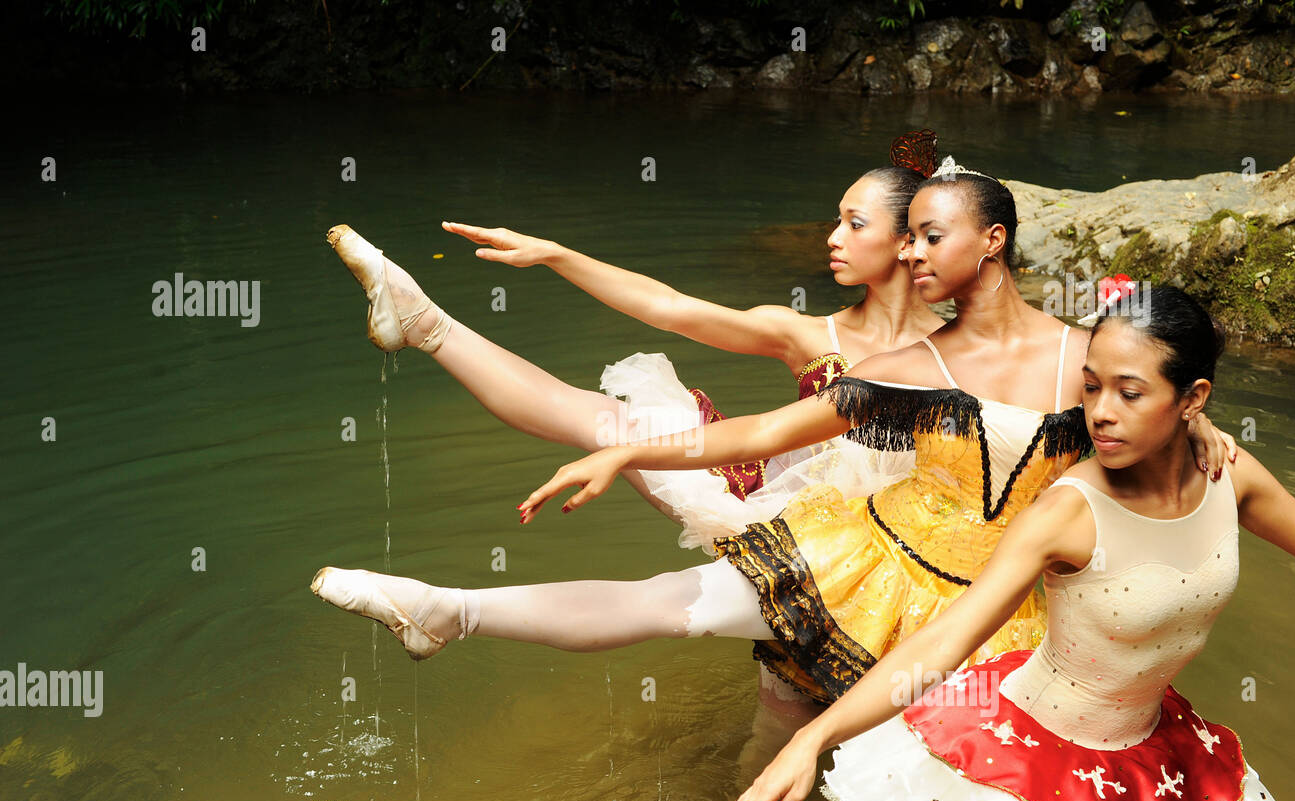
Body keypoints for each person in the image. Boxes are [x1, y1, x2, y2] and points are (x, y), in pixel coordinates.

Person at [308, 160, 1235, 719]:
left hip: (945, 585)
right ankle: (427, 341)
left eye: (874, 226)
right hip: (824, 540)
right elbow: (682, 320)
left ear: (978, 242)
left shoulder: (1036, 355)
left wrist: (1205, 433)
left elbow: (1134, 389)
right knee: (617, 448)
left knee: (820, 742)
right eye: (894, 233)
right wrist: (556, 257)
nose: (858, 241)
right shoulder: (846, 346)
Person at [716, 286, 1295, 801]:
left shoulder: (1232, 476)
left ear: (1194, 398)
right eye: (1091, 386)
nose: (1099, 412)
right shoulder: (1066, 513)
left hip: (1158, 756)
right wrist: (812, 738)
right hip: (1034, 760)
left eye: (1130, 393)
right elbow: (944, 641)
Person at [325, 131, 945, 555]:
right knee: (614, 421)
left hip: (897, 551)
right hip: (779, 521)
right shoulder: (807, 333)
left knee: (782, 709)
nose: (832, 238)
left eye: (853, 225)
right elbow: (670, 308)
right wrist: (556, 255)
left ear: (905, 241)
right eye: (835, 219)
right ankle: (428, 326)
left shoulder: (965, 347)